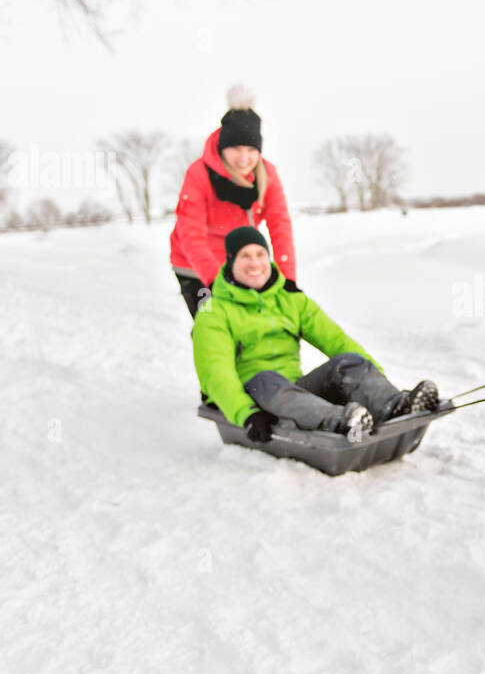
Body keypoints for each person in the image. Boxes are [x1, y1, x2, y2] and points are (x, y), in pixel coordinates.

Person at [193, 227, 439, 444]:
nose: (255, 263)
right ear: (230, 262)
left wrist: (377, 383)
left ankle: (395, 405)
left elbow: (335, 340)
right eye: (245, 256)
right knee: (266, 378)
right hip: (254, 398)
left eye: (260, 254)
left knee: (347, 360)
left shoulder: (291, 300)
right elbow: (216, 373)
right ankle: (343, 421)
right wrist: (245, 413)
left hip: (293, 395)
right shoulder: (214, 312)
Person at [169, 85, 296, 318]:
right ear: (223, 147)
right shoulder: (199, 174)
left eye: (251, 149)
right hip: (195, 268)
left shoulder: (267, 175)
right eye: (236, 148)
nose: (244, 158)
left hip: (240, 264)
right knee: (214, 327)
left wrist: (288, 280)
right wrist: (216, 282)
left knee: (251, 329)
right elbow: (191, 234)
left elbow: (280, 226)